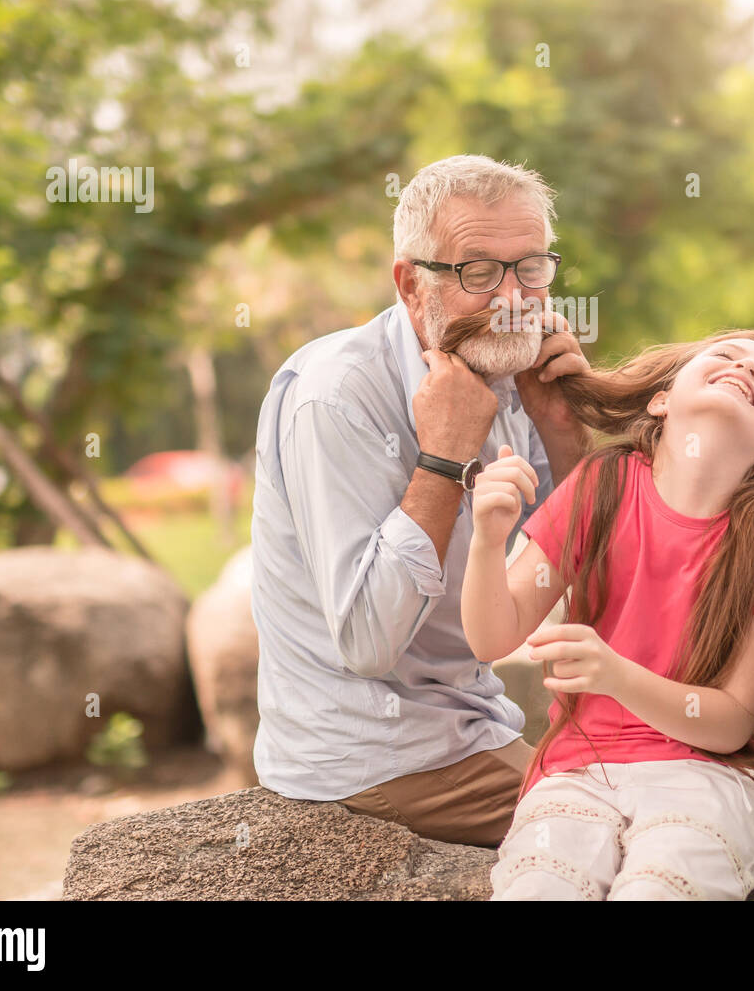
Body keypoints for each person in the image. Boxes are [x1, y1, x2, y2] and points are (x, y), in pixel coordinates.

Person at [249, 155, 590, 847]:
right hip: (376, 753)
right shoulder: (336, 394)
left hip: (471, 722)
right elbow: (367, 644)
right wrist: (441, 459)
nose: (512, 297)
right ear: (411, 284)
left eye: (531, 268)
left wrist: (564, 435)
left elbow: (574, 570)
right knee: (615, 826)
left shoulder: (504, 370)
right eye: (478, 271)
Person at [461, 328, 754, 899]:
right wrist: (486, 539)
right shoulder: (602, 485)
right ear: (662, 400)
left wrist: (616, 676)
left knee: (661, 887)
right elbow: (491, 636)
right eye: (724, 356)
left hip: (708, 775)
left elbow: (729, 723)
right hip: (578, 771)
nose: (745, 368)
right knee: (539, 886)